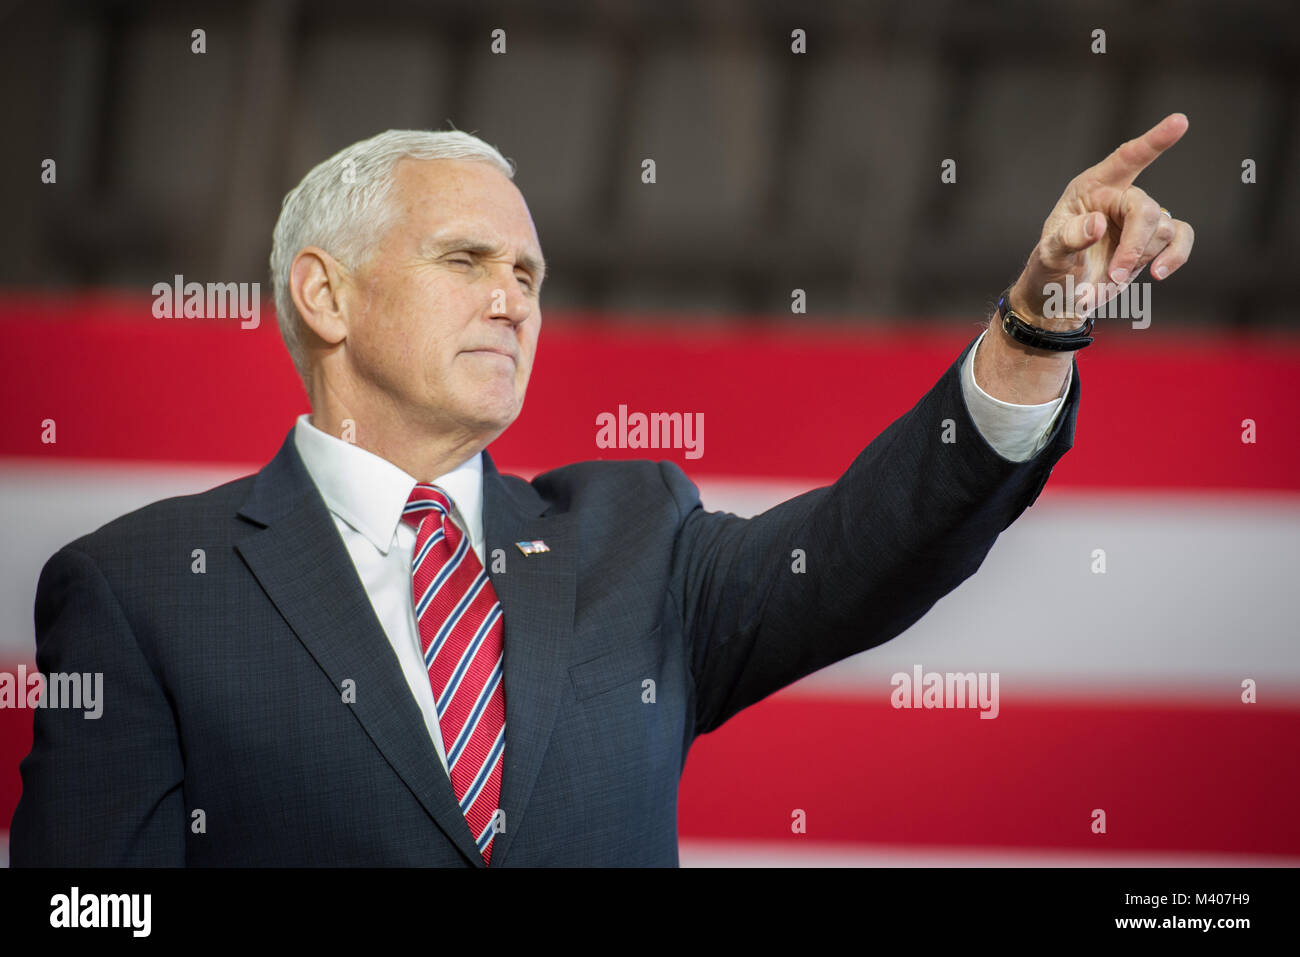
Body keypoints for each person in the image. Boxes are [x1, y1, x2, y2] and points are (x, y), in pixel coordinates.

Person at [10, 116, 1193, 866]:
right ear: (324, 295)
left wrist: (1036, 327)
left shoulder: (636, 539)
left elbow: (866, 544)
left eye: (528, 272)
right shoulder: (144, 586)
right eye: (466, 260)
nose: (514, 297)